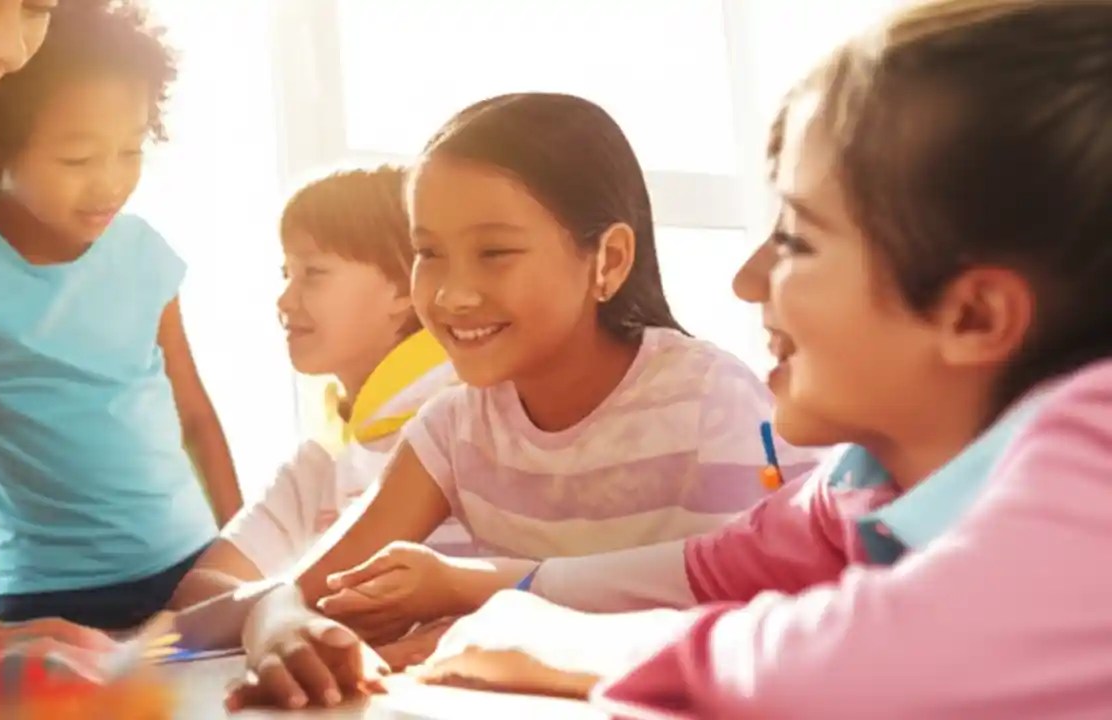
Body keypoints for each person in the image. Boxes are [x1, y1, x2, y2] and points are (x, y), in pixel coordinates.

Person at [393, 2, 1112, 717]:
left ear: (973, 316)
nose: (746, 279)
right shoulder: (863, 482)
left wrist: (579, 647)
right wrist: (498, 599)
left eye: (797, 239)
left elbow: (873, 661)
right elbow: (709, 571)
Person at [211, 91, 817, 710]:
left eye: (494, 252)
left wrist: (480, 623)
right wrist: (287, 629)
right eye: (428, 254)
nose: (451, 294)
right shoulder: (455, 426)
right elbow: (295, 593)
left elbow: (733, 620)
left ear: (607, 261)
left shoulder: (707, 401)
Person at [0, 0, 238, 632]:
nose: (110, 184)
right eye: (77, 160)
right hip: (49, 595)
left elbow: (195, 418)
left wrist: (249, 558)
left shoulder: (143, 251)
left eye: (129, 151)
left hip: (194, 563)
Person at [169, 165, 471, 610]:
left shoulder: (472, 420)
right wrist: (289, 610)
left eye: (313, 273)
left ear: (407, 286)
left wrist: (279, 605)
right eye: (286, 273)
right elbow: (198, 594)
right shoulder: (321, 456)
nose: (284, 301)